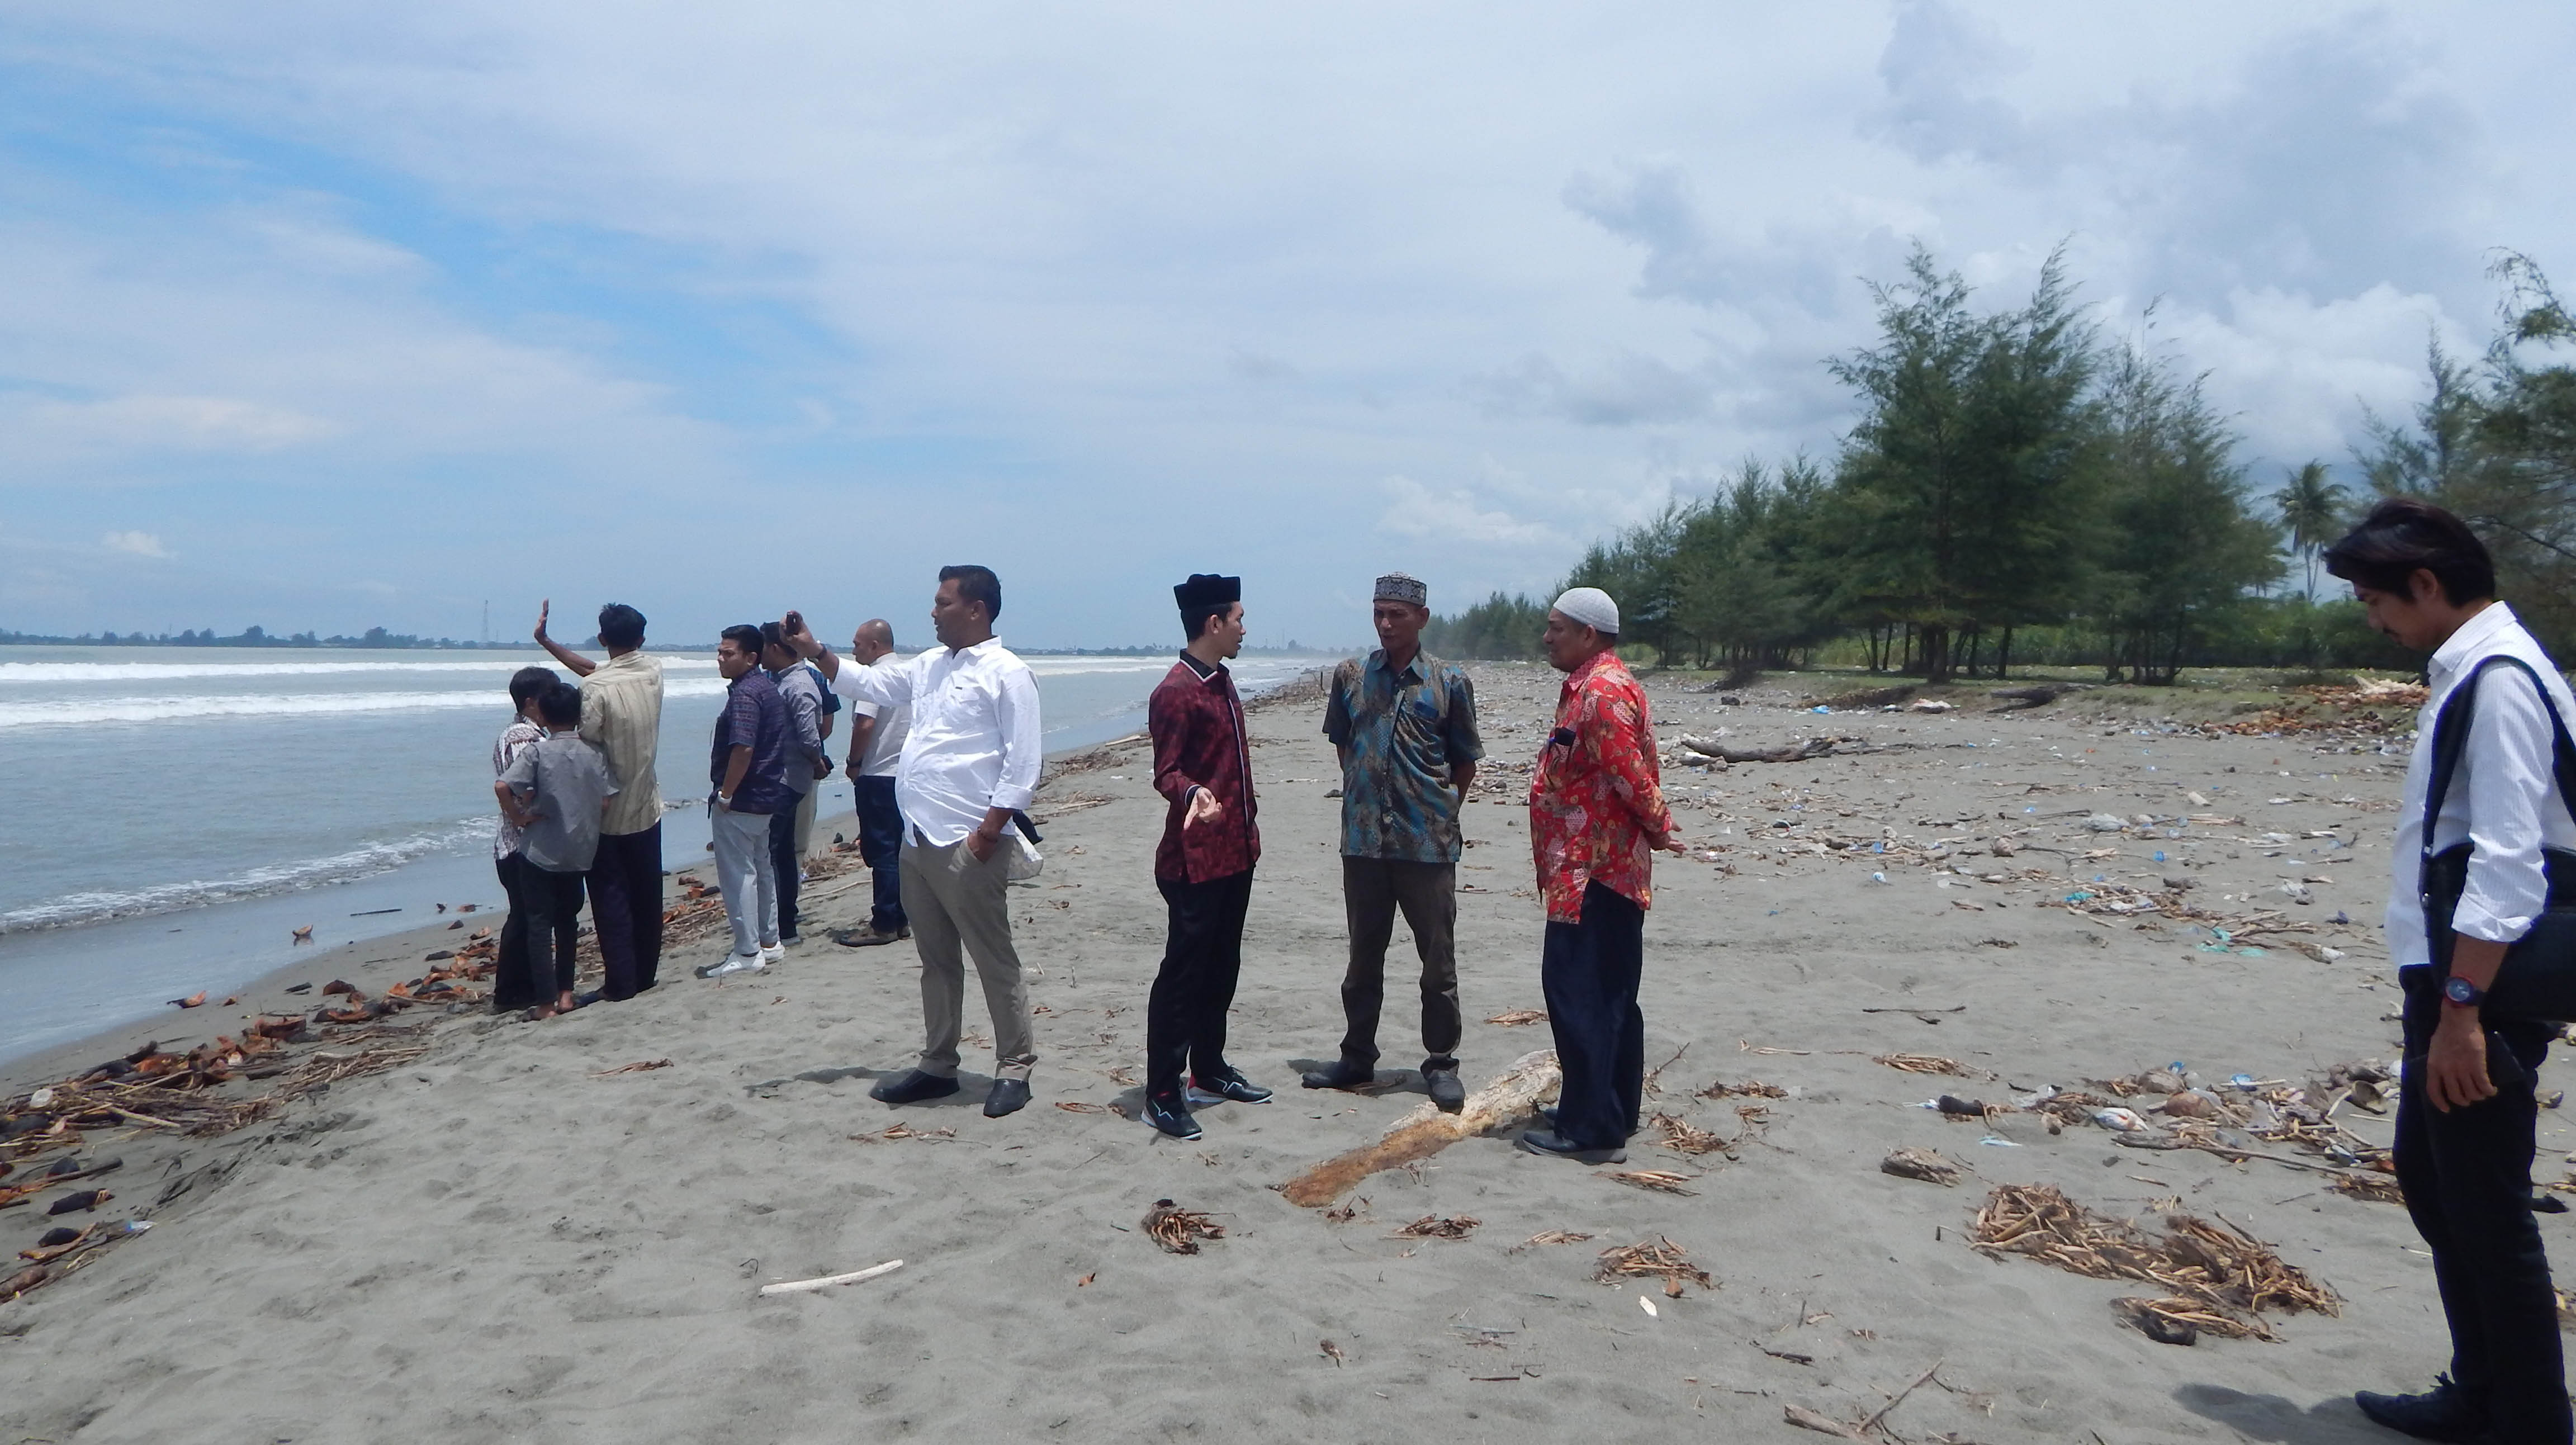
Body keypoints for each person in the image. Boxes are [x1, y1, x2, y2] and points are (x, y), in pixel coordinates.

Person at [2329, 499, 2575, 1445]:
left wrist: (2462, 1010)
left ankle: (2525, 1421)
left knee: (2484, 1210)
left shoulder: (2498, 681)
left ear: (2424, 587)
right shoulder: (2479, 670)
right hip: (2455, 978)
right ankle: (2480, 1389)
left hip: (2481, 984)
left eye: (2373, 601)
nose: (2371, 621)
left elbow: (2508, 860)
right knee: (2434, 1185)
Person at [780, 565, 1043, 1119]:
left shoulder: (1008, 673)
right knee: (936, 960)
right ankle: (938, 1064)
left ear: (976, 609)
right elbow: (869, 684)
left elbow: (1023, 765)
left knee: (994, 958)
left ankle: (1015, 1066)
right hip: (918, 837)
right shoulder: (929, 665)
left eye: (943, 602)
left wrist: (988, 832)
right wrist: (814, 650)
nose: (932, 610)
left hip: (969, 841)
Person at [1301, 572, 1484, 1112]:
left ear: (1421, 618)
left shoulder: (1448, 682)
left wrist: (1436, 811)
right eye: (1378, 613)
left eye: (1397, 615)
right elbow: (1345, 747)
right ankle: (1357, 1055)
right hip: (1362, 845)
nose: (1385, 624)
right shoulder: (1352, 676)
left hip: (1426, 848)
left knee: (1438, 962)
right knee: (1363, 958)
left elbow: (1465, 764)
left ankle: (1441, 1063)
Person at [1518, 588, 1680, 1166]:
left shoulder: (1602, 692)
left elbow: (1630, 775)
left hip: (1595, 871)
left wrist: (1661, 825)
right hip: (1588, 868)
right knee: (1609, 996)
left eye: (1557, 627)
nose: (1547, 636)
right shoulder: (1590, 686)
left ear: (1588, 633)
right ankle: (1609, 1108)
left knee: (1581, 996)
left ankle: (1590, 1127)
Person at [1139, 575, 1271, 1141]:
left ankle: (1209, 1069)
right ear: (1213, 624)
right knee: (1183, 975)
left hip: (1237, 849)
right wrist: (1195, 793)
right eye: (1239, 618)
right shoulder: (1175, 690)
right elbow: (1166, 771)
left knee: (1223, 967)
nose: (1245, 627)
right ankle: (1163, 1091)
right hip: (1192, 859)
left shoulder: (1221, 678)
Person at [534, 600, 666, 1002]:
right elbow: (599, 671)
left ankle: (621, 985)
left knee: (611, 900)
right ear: (641, 639)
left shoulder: (596, 689)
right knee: (647, 897)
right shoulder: (654, 670)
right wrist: (548, 643)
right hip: (647, 803)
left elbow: (588, 736)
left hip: (607, 812)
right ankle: (644, 975)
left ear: (603, 638)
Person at [496, 683, 621, 1020]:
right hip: (580, 849)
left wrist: (520, 817)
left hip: (541, 849)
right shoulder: (594, 753)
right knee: (568, 923)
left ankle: (546, 1003)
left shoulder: (538, 753)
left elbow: (503, 786)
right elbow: (607, 799)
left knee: (539, 925)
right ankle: (566, 994)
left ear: (545, 718)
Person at [698, 624, 793, 980]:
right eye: (720, 652)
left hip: (744, 798)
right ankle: (769, 943)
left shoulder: (747, 694)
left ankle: (748, 949)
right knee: (760, 868)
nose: (720, 659)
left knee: (740, 875)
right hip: (766, 794)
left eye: (728, 653)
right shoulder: (765, 688)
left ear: (751, 658)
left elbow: (744, 748)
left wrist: (725, 794)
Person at [831, 619, 912, 948]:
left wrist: (853, 763)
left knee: (881, 852)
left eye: (858, 644)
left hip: (879, 773)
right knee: (901, 849)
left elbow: (865, 723)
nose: (853, 651)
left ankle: (885, 922)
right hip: (905, 775)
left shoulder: (875, 678)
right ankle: (903, 917)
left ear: (875, 646)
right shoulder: (907, 676)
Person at [489, 665, 558, 1014]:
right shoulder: (523, 738)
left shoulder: (523, 733)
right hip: (522, 844)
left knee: (524, 916)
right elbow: (522, 786)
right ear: (531, 702)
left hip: (516, 842)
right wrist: (527, 814)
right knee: (528, 919)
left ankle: (517, 989)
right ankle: (514, 991)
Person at [760, 622, 832, 946]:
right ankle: (784, 924)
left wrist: (816, 760)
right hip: (788, 777)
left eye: (762, 647)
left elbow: (809, 735)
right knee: (784, 851)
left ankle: (781, 924)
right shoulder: (785, 681)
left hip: (788, 779)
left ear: (775, 648)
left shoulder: (798, 683)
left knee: (775, 852)